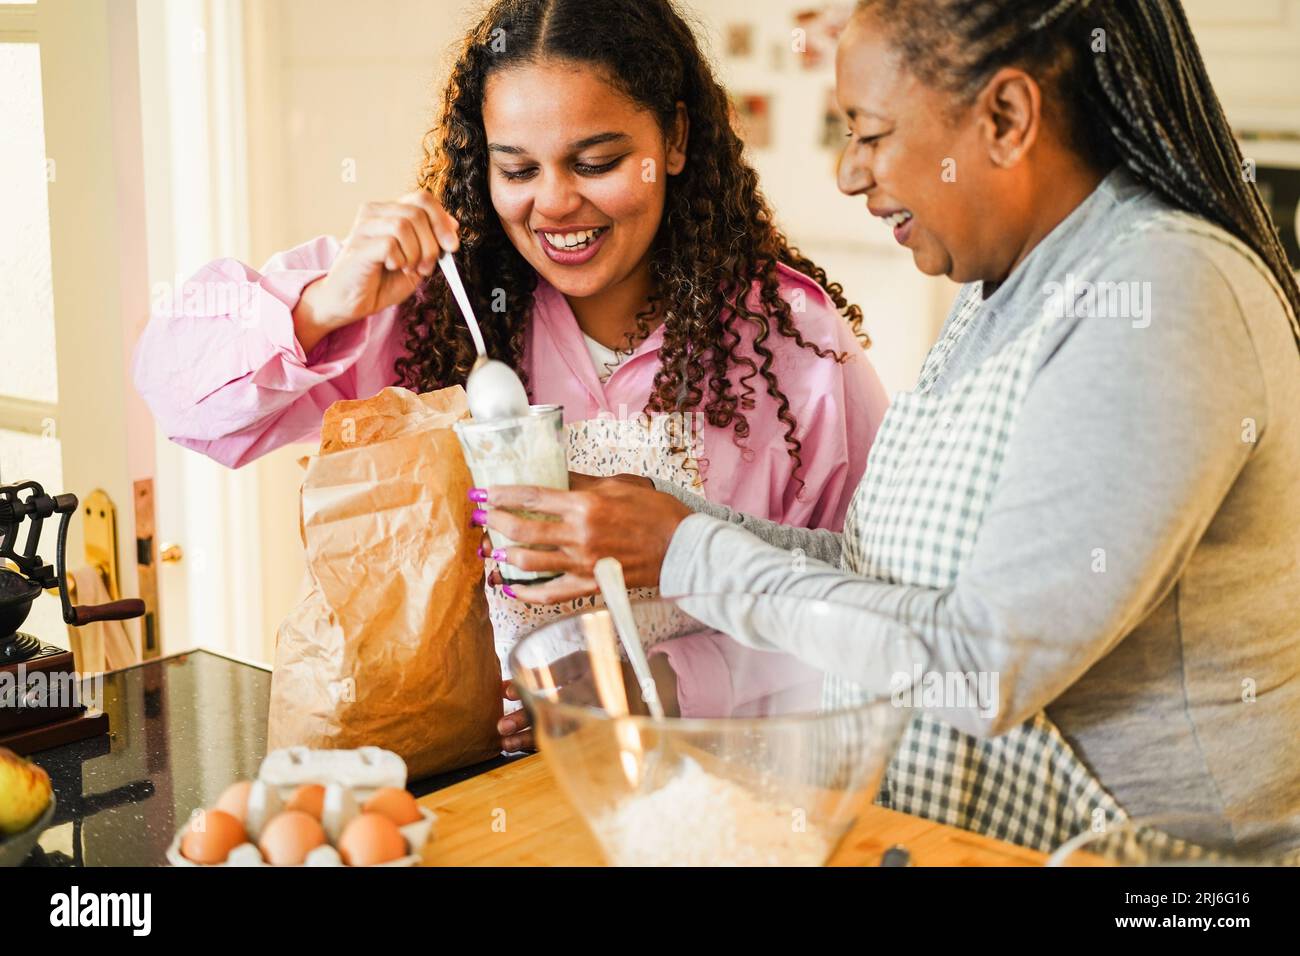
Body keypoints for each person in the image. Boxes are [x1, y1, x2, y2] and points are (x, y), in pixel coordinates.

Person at [477, 0, 1300, 851]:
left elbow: (985, 663)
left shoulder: (1160, 297)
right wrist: (676, 526)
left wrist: (686, 553)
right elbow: (885, 575)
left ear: (1006, 118)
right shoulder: (1006, 291)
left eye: (869, 133)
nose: (848, 173)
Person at [132, 0, 889, 751]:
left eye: (598, 162)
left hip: (714, 794)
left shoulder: (792, 344)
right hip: (475, 787)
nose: (555, 203)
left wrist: (673, 680)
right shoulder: (422, 310)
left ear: (677, 138)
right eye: (518, 168)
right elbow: (177, 395)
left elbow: (869, 614)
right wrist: (319, 308)